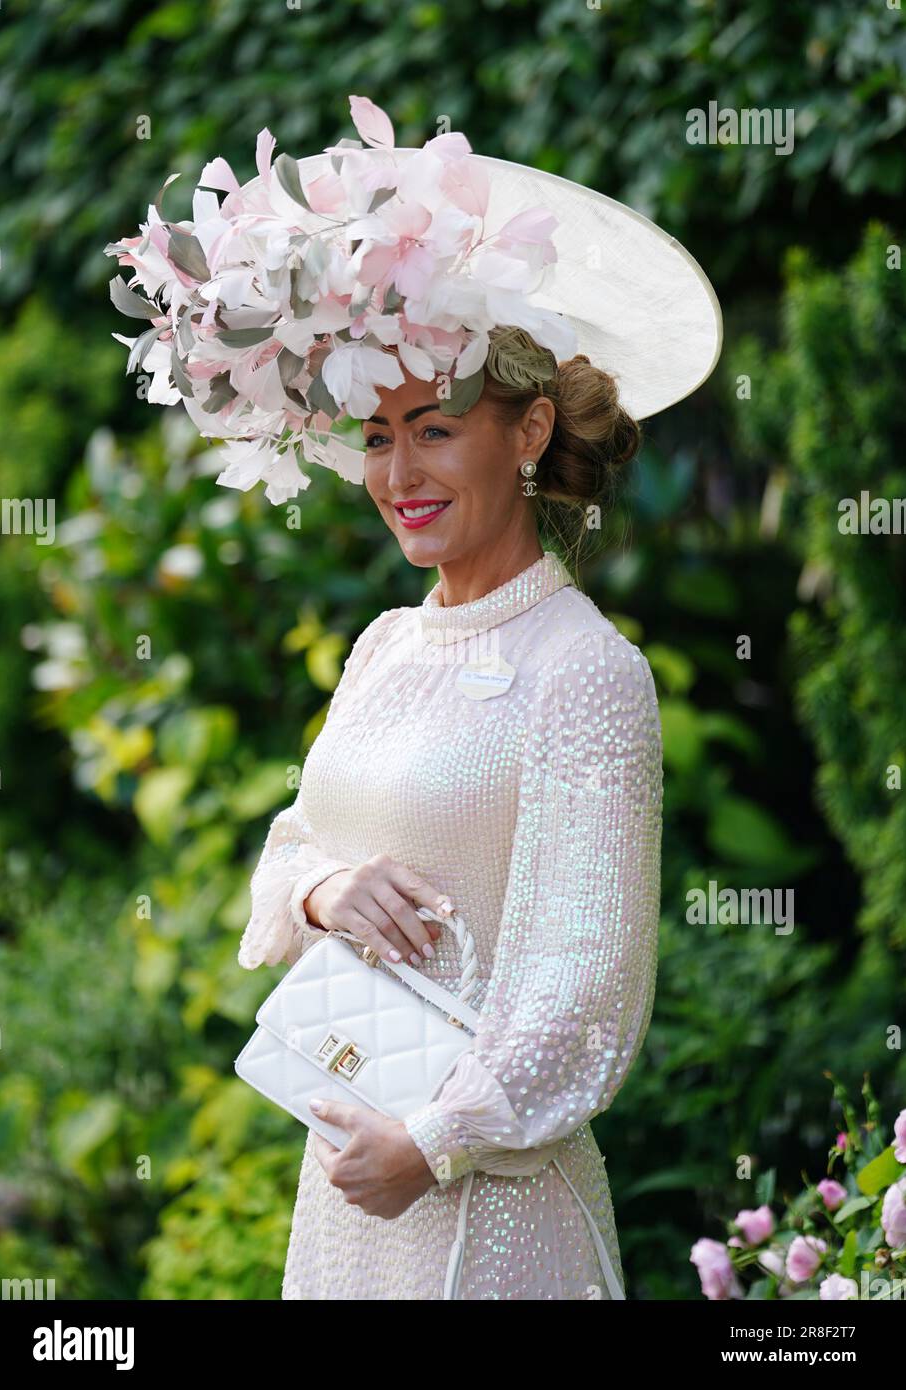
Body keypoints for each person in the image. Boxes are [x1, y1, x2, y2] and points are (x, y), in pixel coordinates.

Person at [237, 324, 664, 1299]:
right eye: (377, 436)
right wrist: (321, 889)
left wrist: (430, 1141)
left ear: (528, 432)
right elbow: (289, 848)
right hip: (348, 1179)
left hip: (490, 1214)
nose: (397, 473)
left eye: (431, 430)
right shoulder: (384, 647)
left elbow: (588, 985)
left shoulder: (585, 672)